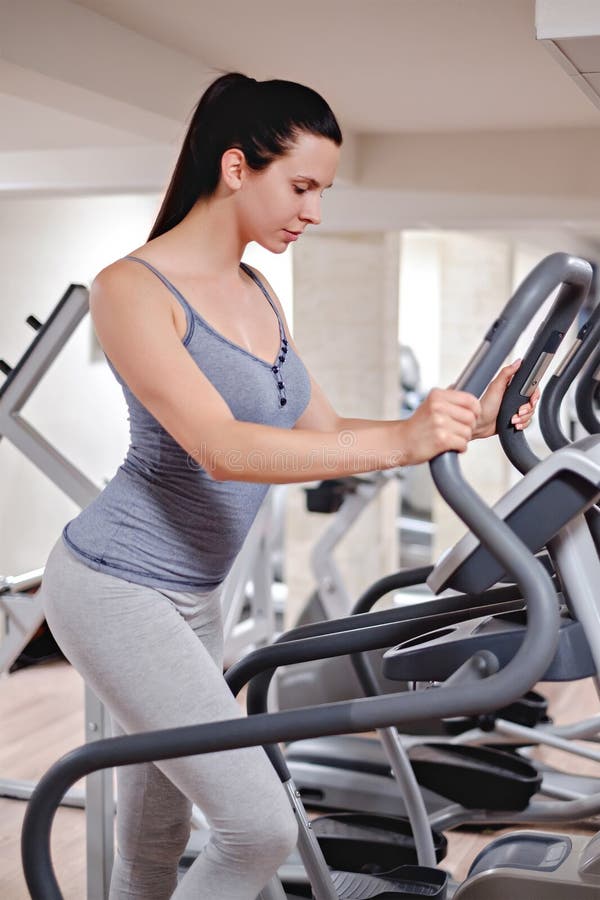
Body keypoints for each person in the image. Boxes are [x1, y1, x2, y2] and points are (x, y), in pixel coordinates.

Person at [39, 72, 538, 900]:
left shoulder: (259, 291)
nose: (313, 210)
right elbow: (223, 449)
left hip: (197, 593)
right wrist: (405, 440)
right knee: (256, 826)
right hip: (112, 586)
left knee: (156, 837)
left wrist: (460, 426)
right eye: (300, 186)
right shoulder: (130, 289)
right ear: (237, 167)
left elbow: (328, 432)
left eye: (323, 191)